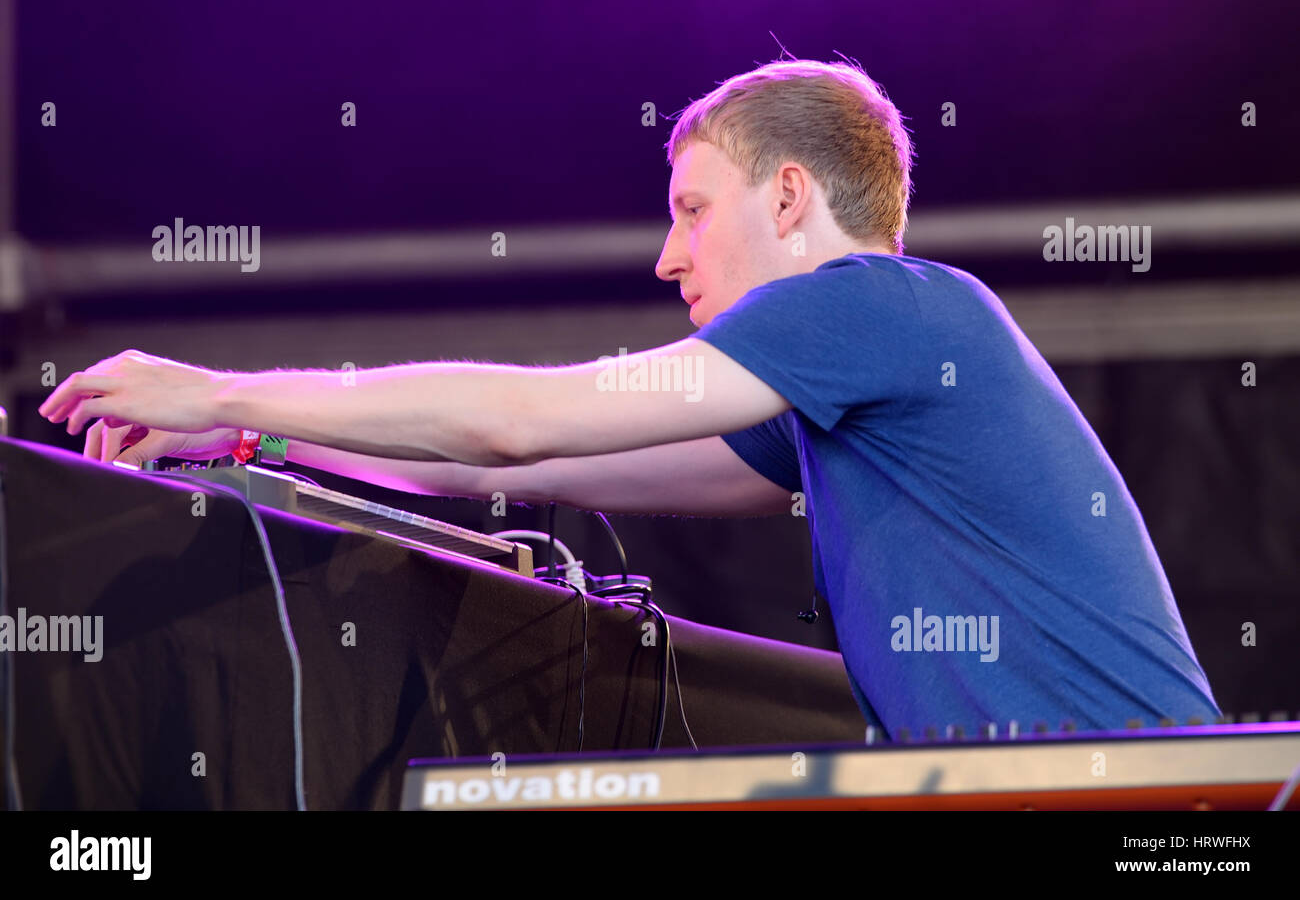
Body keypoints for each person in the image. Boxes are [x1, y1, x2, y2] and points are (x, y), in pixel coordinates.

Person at [38, 58, 1221, 738]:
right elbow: (511, 467)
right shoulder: (835, 397)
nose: (668, 255)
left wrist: (215, 382)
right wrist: (257, 428)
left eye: (693, 209)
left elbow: (522, 421)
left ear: (793, 198)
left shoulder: (878, 302)